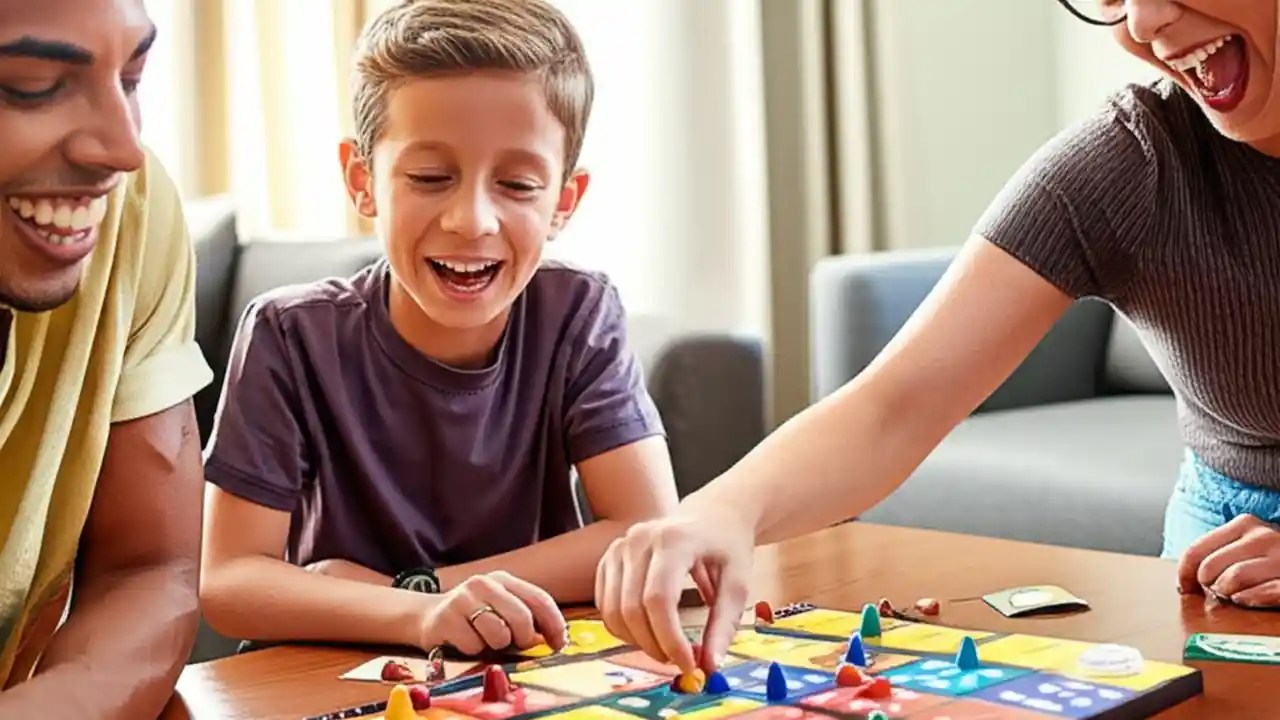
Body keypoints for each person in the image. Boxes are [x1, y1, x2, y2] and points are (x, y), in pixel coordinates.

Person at [596, 0, 1280, 675]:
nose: (1142, 22)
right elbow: (893, 405)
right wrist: (722, 511)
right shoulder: (1137, 161)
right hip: (1232, 555)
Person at [198, 0, 678, 658]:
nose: (471, 220)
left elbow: (647, 531)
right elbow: (229, 581)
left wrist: (422, 591)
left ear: (564, 201)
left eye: (516, 184)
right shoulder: (290, 336)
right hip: (332, 671)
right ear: (362, 181)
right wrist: (420, 619)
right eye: (429, 177)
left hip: (525, 668)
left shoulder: (578, 313)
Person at [0, 0, 213, 716]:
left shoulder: (134, 211)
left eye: (132, 75)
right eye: (30, 84)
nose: (121, 150)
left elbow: (147, 571)